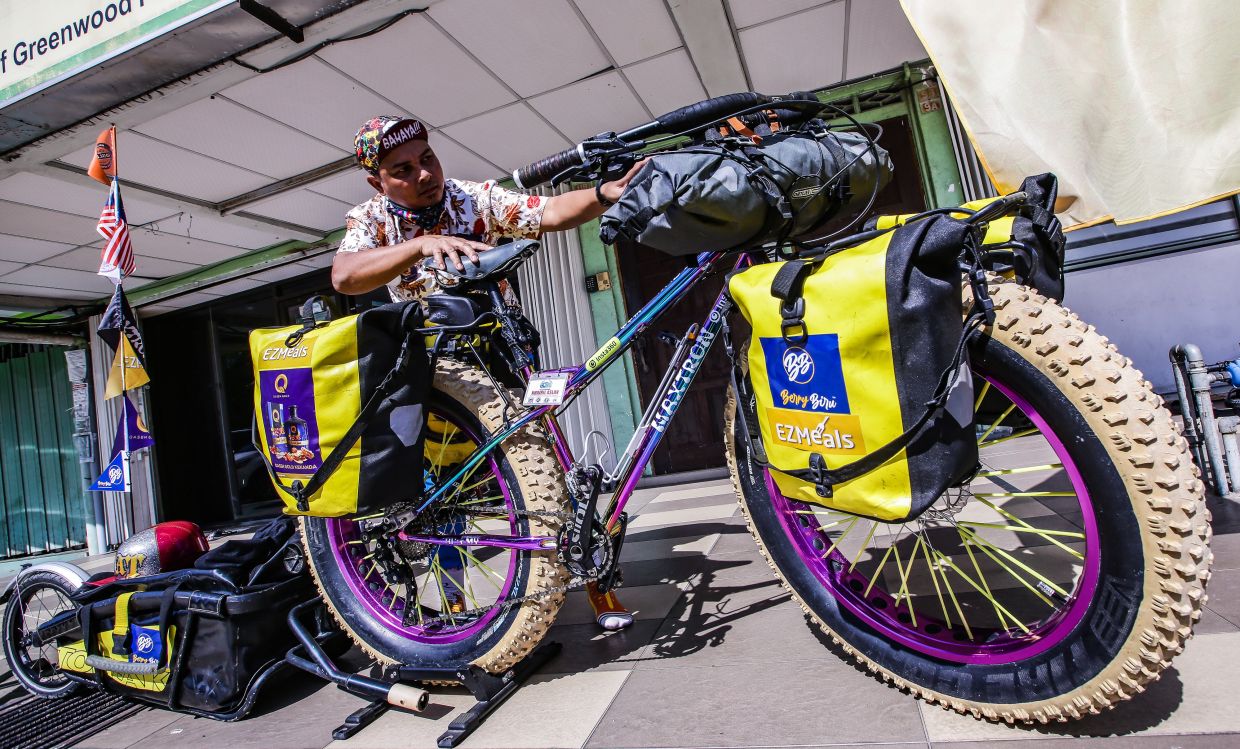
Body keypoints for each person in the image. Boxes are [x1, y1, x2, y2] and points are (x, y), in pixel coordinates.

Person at [334, 116, 639, 631]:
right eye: (402, 169)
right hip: (435, 374)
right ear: (377, 181)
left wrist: (604, 193)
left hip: (501, 352)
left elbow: (548, 211)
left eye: (427, 158)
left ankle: (596, 587)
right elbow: (344, 275)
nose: (424, 174)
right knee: (441, 494)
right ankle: (456, 612)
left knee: (553, 473)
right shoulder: (369, 218)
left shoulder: (471, 197)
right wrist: (417, 246)